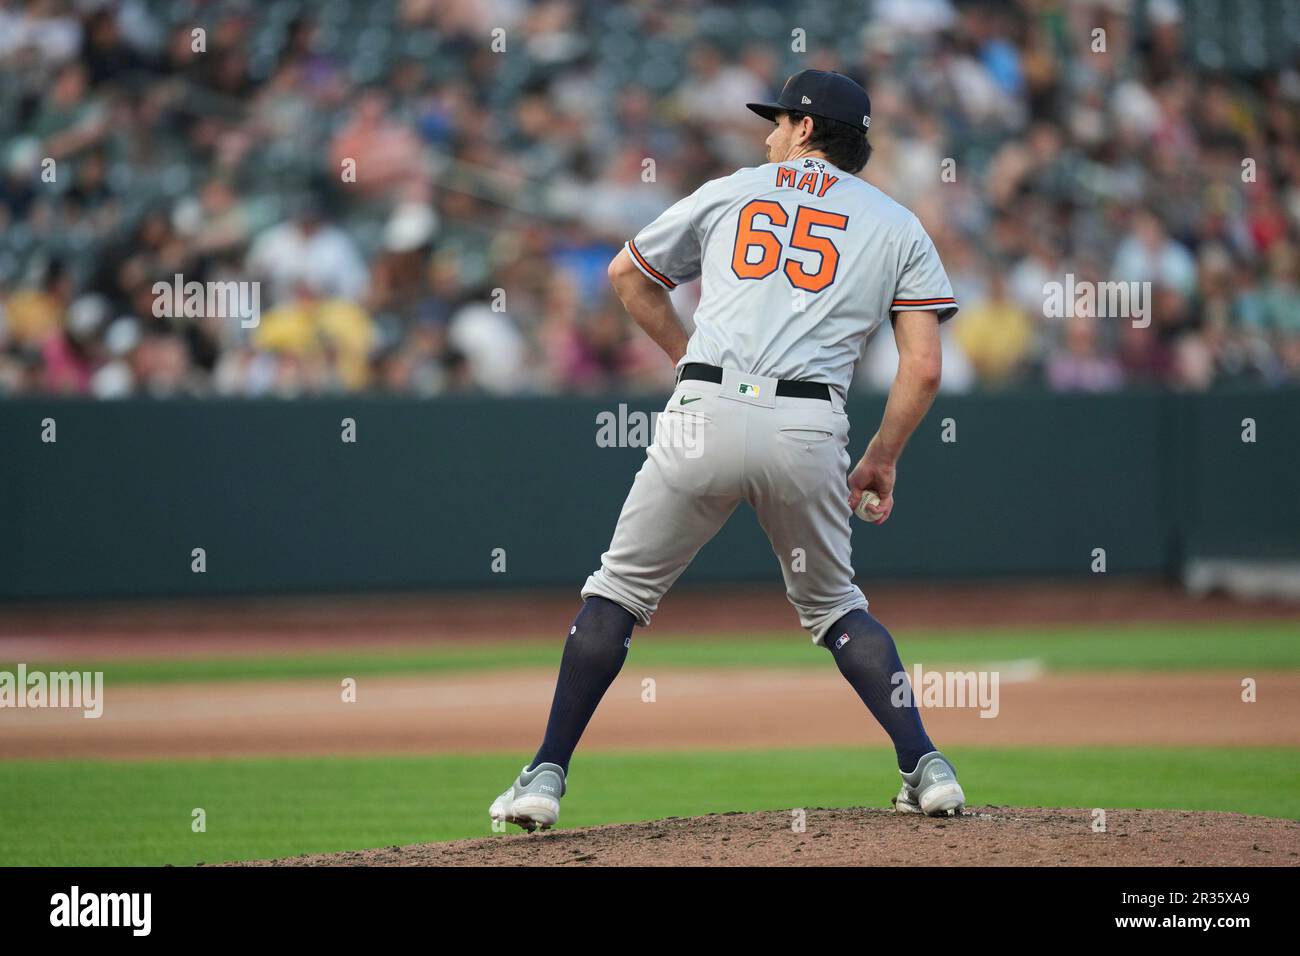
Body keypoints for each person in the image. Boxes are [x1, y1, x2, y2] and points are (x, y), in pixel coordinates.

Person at [490, 71, 966, 831]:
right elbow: (926, 366)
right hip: (808, 428)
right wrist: (882, 454)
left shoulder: (735, 189)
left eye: (779, 121)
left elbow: (627, 277)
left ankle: (544, 776)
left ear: (807, 129)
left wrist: (688, 359)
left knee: (616, 595)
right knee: (838, 608)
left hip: (704, 411)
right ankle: (927, 767)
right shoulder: (898, 224)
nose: (769, 133)